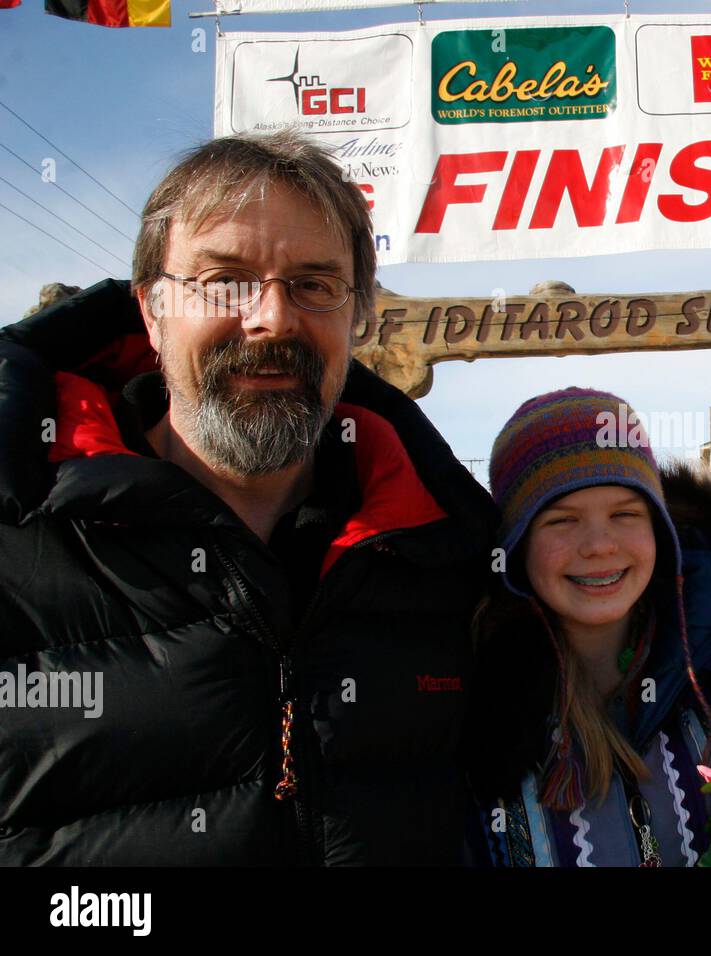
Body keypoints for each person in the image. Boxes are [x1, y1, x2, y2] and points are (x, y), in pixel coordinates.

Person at [0, 132, 498, 864]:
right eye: (225, 279)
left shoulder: (447, 560)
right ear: (151, 310)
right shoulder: (19, 544)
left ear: (355, 316)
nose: (271, 317)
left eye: (314, 284)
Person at [463, 388, 711, 866]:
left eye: (624, 514)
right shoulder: (469, 711)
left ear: (658, 529)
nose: (599, 545)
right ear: (517, 544)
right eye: (561, 520)